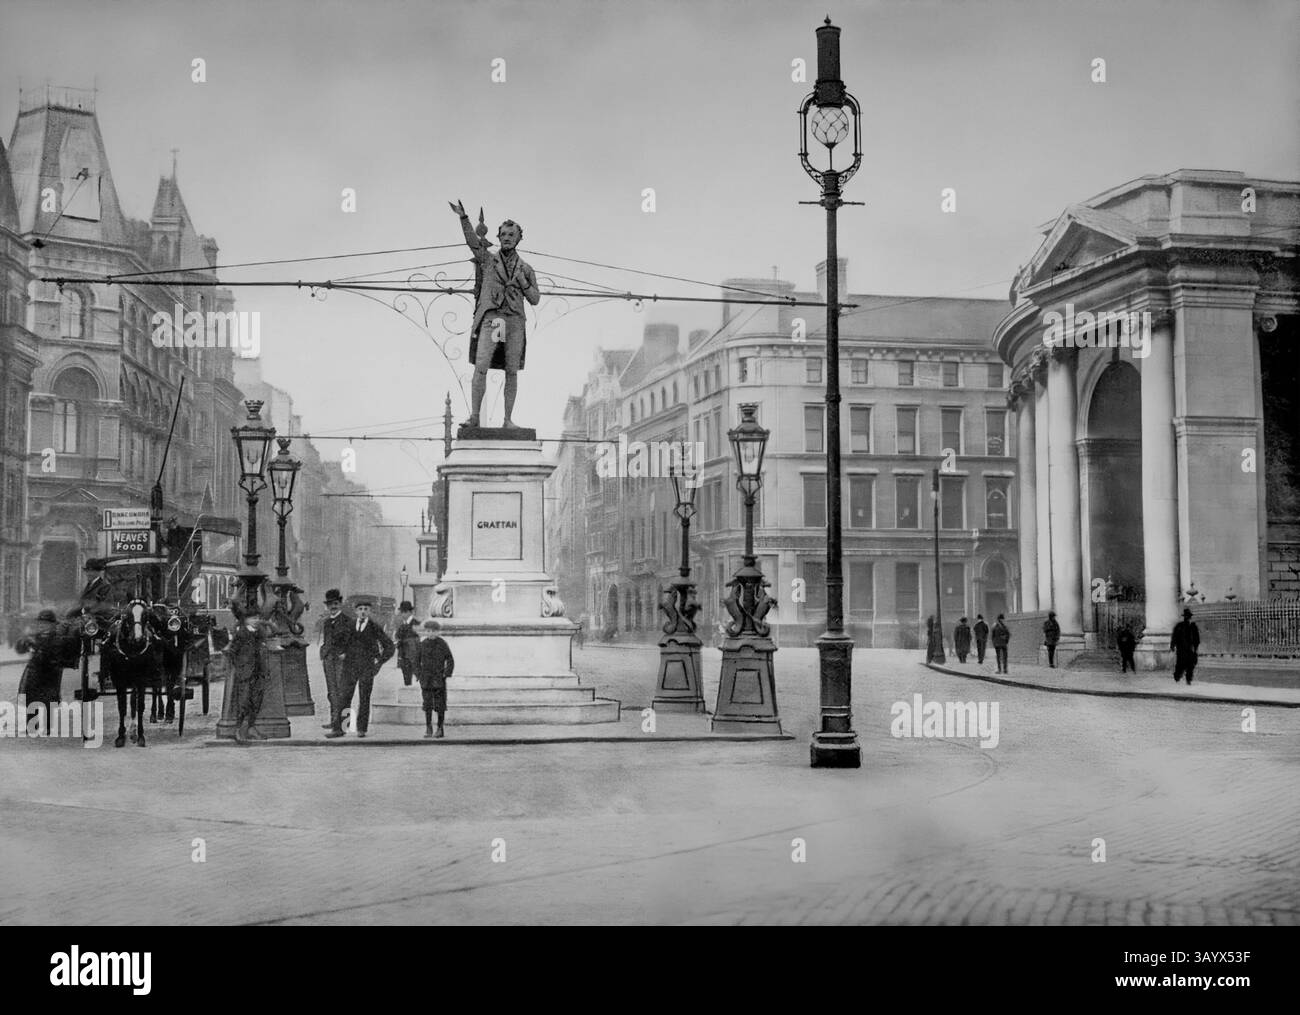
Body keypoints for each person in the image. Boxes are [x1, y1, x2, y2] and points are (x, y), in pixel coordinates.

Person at [450, 199, 541, 429]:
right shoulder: (488, 260)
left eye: (512, 234)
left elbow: (535, 299)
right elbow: (472, 242)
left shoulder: (526, 268)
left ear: (519, 238)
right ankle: (474, 417)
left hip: (514, 321)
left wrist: (522, 281)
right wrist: (464, 218)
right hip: (493, 319)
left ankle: (507, 420)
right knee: (481, 366)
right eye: (504, 234)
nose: (508, 238)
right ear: (499, 238)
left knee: (511, 370)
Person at [328, 600, 394, 739]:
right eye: (360, 609)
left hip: (367, 667)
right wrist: (341, 652)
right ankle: (341, 729)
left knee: (364, 698)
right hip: (349, 667)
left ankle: (361, 729)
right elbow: (336, 640)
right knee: (345, 696)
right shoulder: (349, 625)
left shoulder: (375, 627)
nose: (363, 611)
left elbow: (389, 646)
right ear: (356, 611)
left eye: (366, 608)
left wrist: (379, 662)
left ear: (369, 611)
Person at [16, 609, 77, 728]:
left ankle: (48, 723)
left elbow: (62, 653)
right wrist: (24, 641)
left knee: (49, 697)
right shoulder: (35, 636)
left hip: (51, 670)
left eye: (46, 623)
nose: (43, 626)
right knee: (31, 695)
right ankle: (32, 722)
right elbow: (21, 649)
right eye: (41, 623)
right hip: (35, 669)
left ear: (53, 625)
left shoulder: (59, 638)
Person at [227, 614, 277, 745]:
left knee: (256, 701)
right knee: (243, 701)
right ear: (246, 619)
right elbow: (232, 651)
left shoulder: (260, 632)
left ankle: (251, 727)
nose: (256, 620)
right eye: (253, 618)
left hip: (259, 671)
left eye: (258, 617)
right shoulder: (241, 633)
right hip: (245, 673)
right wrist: (240, 666)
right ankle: (238, 729)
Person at [416, 619, 455, 738]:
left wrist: (446, 673)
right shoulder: (422, 644)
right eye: (428, 631)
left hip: (439, 679)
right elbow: (416, 661)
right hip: (426, 679)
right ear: (425, 632)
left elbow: (450, 659)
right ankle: (428, 727)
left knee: (440, 705)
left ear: (438, 632)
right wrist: (419, 675)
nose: (431, 633)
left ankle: (440, 728)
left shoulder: (442, 644)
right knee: (427, 704)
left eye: (434, 631)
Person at [319, 589, 352, 731]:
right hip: (329, 659)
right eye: (330, 604)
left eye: (336, 603)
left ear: (340, 604)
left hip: (341, 660)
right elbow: (327, 640)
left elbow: (352, 641)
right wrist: (324, 653)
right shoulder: (327, 622)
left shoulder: (347, 621)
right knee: (332, 691)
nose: (333, 607)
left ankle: (345, 724)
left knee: (343, 691)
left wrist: (346, 653)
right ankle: (334, 720)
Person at [394, 600, 421, 687]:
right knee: (406, 677)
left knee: (418, 676)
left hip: (413, 655)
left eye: (405, 612)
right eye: (402, 612)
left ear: (410, 612)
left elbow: (417, 640)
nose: (403, 614)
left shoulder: (416, 624)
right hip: (404, 655)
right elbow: (398, 636)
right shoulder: (402, 625)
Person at [1171, 608, 1200, 685]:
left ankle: (1188, 680)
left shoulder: (1193, 627)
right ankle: (1177, 678)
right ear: (1184, 617)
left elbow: (1196, 639)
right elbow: (1175, 636)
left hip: (1189, 650)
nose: (1187, 618)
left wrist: (1196, 648)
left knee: (1190, 666)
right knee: (1180, 665)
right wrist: (1173, 645)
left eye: (1188, 616)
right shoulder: (1180, 626)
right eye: (1186, 616)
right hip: (1181, 650)